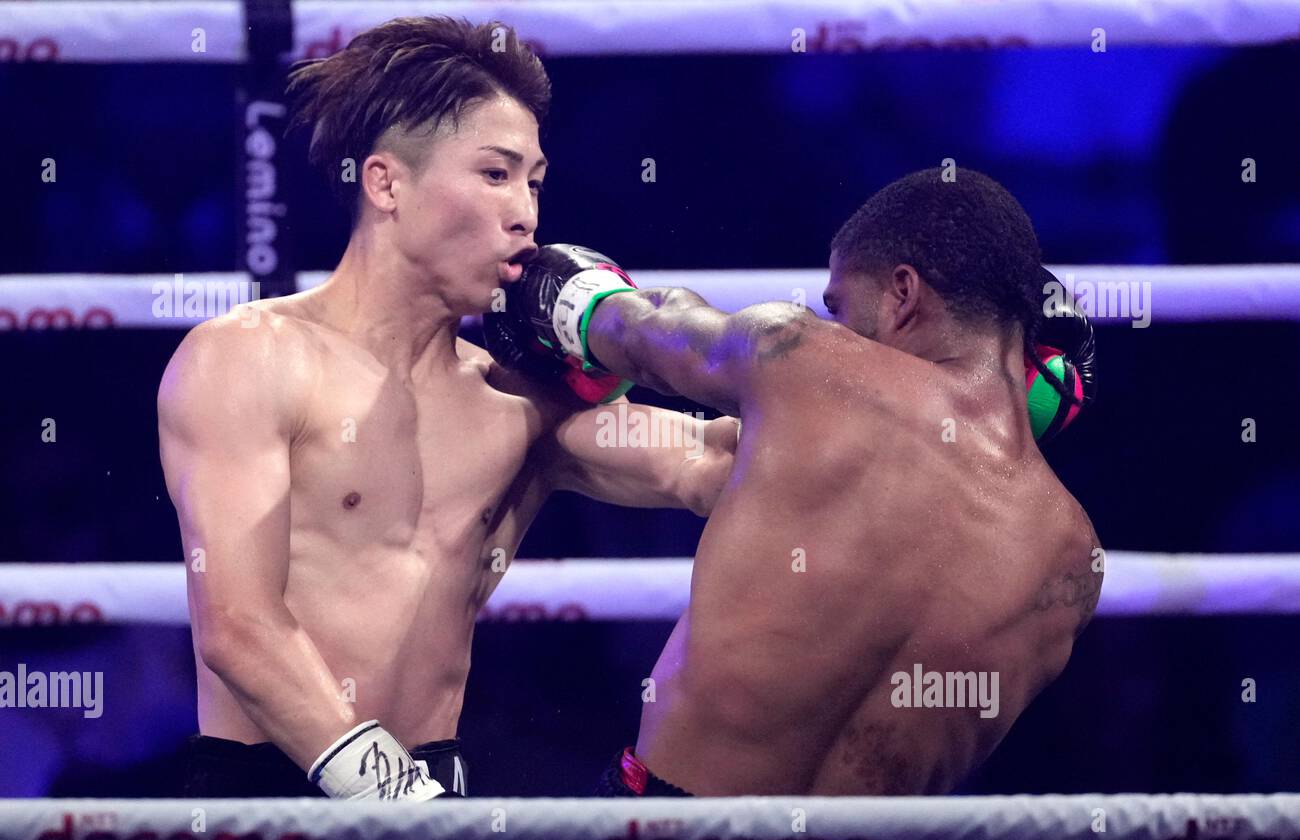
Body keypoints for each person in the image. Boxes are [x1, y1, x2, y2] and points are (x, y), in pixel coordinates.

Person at [157, 16, 736, 800]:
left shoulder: (516, 402)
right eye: (496, 174)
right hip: (268, 791)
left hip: (436, 785)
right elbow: (237, 626)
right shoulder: (247, 359)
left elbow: (724, 463)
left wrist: (643, 333)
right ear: (386, 183)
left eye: (534, 181)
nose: (527, 213)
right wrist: (392, 799)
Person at [498, 168, 1101, 796]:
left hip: (671, 836)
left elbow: (643, 330)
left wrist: (566, 295)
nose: (834, 326)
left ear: (903, 293)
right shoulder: (1075, 560)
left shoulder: (807, 361)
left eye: (840, 306)